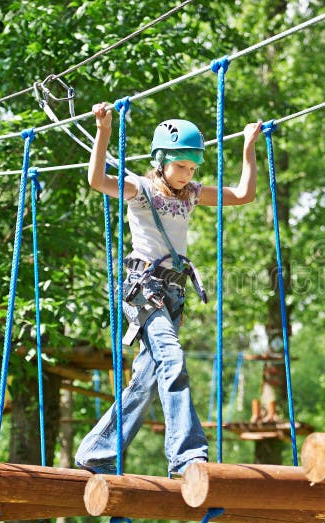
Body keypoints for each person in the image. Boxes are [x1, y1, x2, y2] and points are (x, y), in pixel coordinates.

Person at [75, 102, 263, 477]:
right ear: (160, 160)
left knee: (144, 384)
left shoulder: (191, 194)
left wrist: (249, 147)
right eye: (181, 166)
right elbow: (98, 180)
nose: (187, 174)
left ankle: (96, 451)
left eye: (193, 168)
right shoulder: (140, 189)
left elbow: (243, 194)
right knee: (173, 361)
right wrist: (104, 130)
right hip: (143, 289)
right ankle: (187, 457)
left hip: (172, 295)